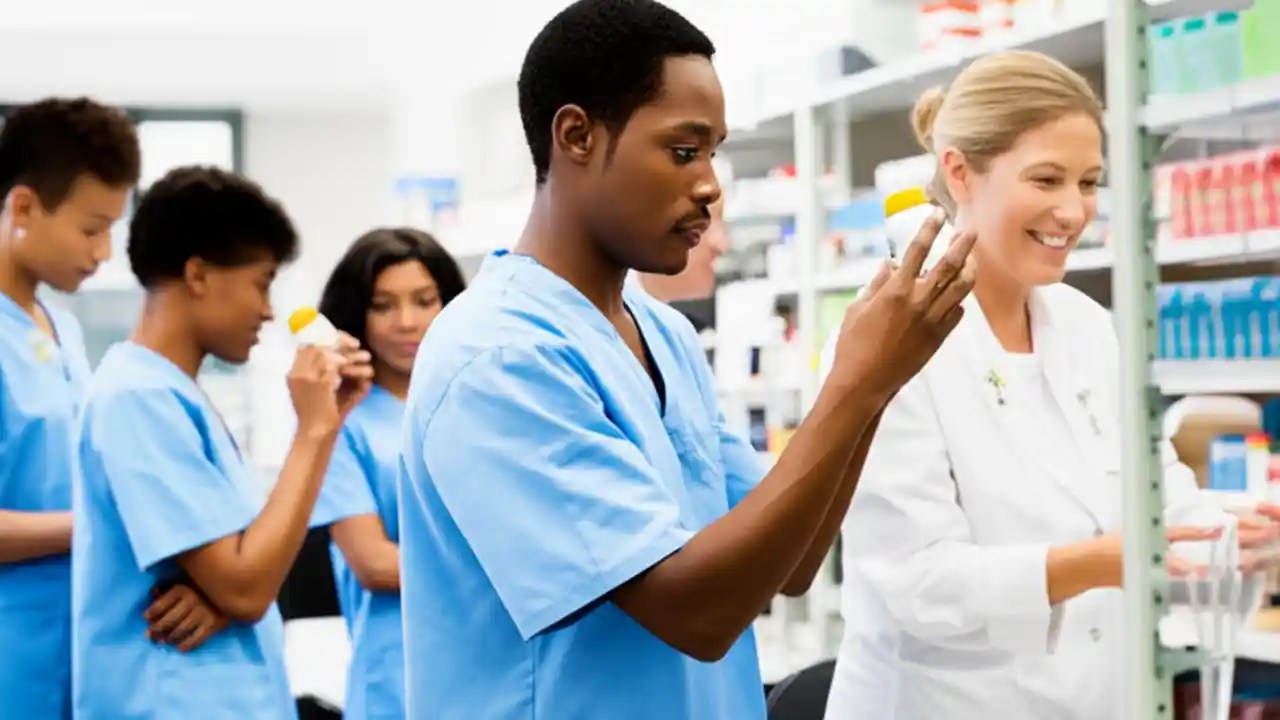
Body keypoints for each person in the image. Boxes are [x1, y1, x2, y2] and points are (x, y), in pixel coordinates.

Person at [396, 1, 977, 718]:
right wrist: (856, 384)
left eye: (714, 153)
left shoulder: (660, 334)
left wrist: (879, 381)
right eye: (682, 151)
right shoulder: (497, 357)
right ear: (576, 135)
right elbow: (694, 613)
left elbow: (791, 564)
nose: (709, 184)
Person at [822, 50, 1278, 720]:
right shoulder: (891, 333)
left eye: (1090, 183)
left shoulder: (1088, 327)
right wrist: (1102, 561)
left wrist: (1234, 541)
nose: (1072, 210)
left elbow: (1161, 501)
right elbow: (918, 583)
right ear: (959, 171)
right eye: (1046, 179)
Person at [71, 165, 373, 720]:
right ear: (199, 274)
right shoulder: (137, 398)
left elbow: (250, 563)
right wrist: (311, 429)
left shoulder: (176, 394)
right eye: (261, 283)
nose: (268, 310)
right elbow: (247, 586)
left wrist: (326, 423)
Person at [0, 97, 139, 719]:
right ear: (23, 207)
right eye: (92, 228)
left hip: (76, 653)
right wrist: (101, 526)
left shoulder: (60, 325)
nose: (105, 251)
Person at [309, 227, 466, 719]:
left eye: (425, 300)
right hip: (396, 677)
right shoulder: (338, 420)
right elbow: (373, 562)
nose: (407, 322)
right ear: (357, 313)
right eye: (383, 305)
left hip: (490, 661)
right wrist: (504, 567)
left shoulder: (475, 405)